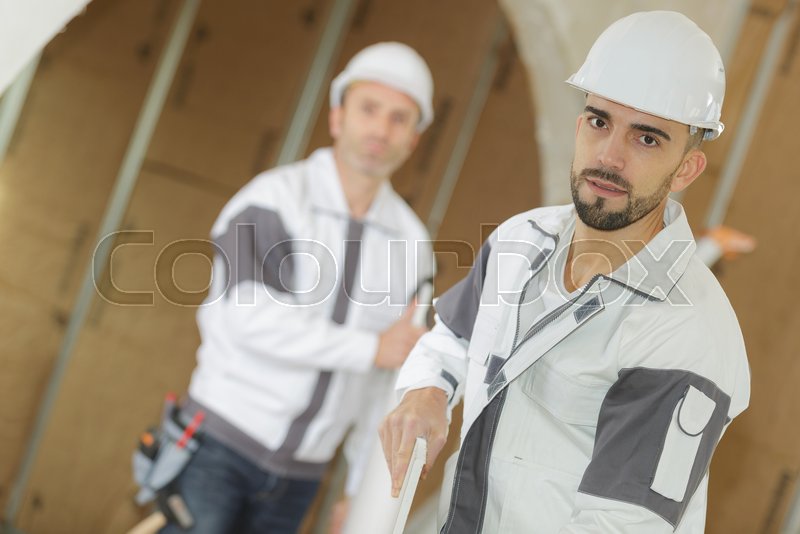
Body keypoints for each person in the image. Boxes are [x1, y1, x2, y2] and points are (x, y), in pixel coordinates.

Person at [380, 11, 750, 533]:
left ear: (686, 168)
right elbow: (454, 338)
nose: (610, 156)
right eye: (600, 122)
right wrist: (428, 391)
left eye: (647, 139)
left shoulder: (685, 333)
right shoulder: (519, 241)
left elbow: (620, 527)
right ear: (579, 128)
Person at [161, 42, 435, 533]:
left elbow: (389, 382)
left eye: (399, 118)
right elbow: (247, 316)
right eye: (368, 109)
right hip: (218, 450)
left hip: (301, 480)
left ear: (414, 139)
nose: (381, 129)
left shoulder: (413, 245)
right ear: (337, 117)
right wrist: (370, 348)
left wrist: (360, 492)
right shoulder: (274, 200)